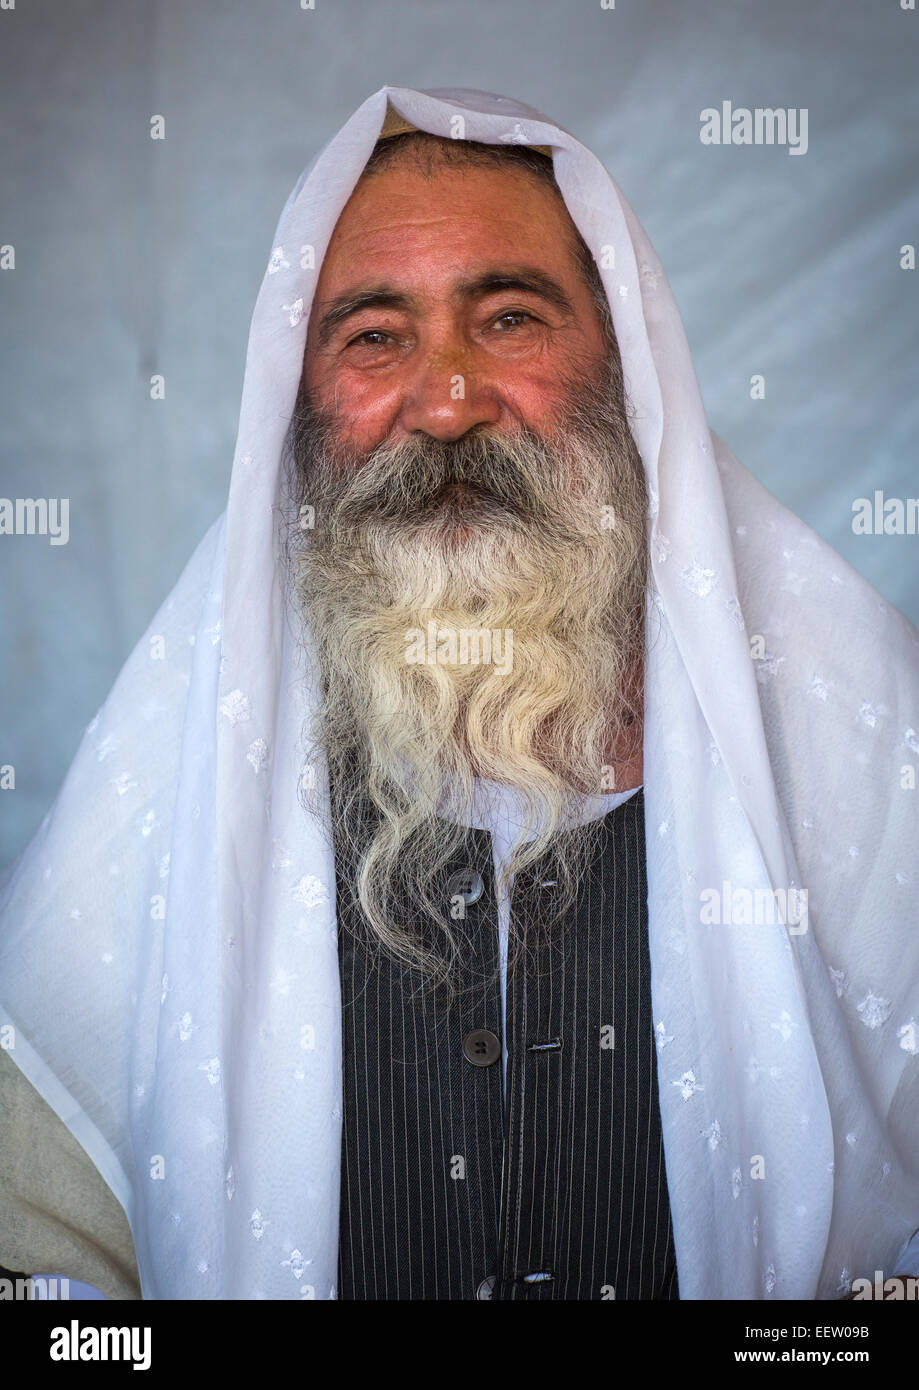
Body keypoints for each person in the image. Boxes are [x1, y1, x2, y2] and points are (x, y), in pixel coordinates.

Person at [1, 86, 917, 1302]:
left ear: (626, 373)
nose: (446, 401)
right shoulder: (179, 789)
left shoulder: (858, 752)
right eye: (376, 337)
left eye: (508, 321)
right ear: (301, 407)